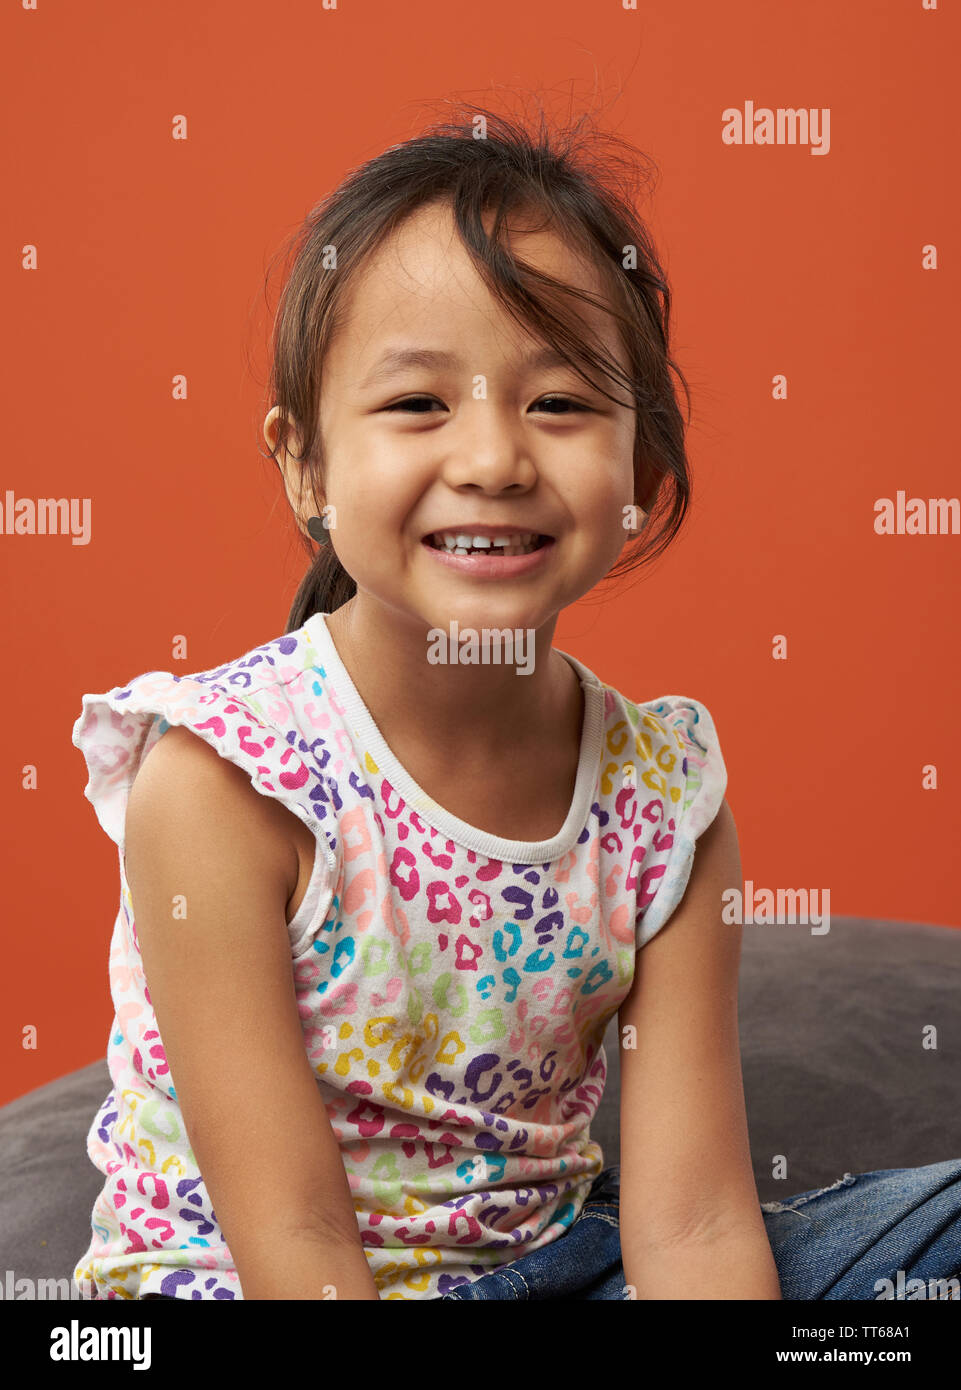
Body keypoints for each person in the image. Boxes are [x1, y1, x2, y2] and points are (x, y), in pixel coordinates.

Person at [71, 105, 961, 1303]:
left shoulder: (662, 805)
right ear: (306, 465)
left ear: (641, 472)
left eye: (558, 404)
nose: (493, 457)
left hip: (550, 1269)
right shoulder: (230, 780)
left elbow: (691, 1224)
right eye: (418, 405)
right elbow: (294, 1243)